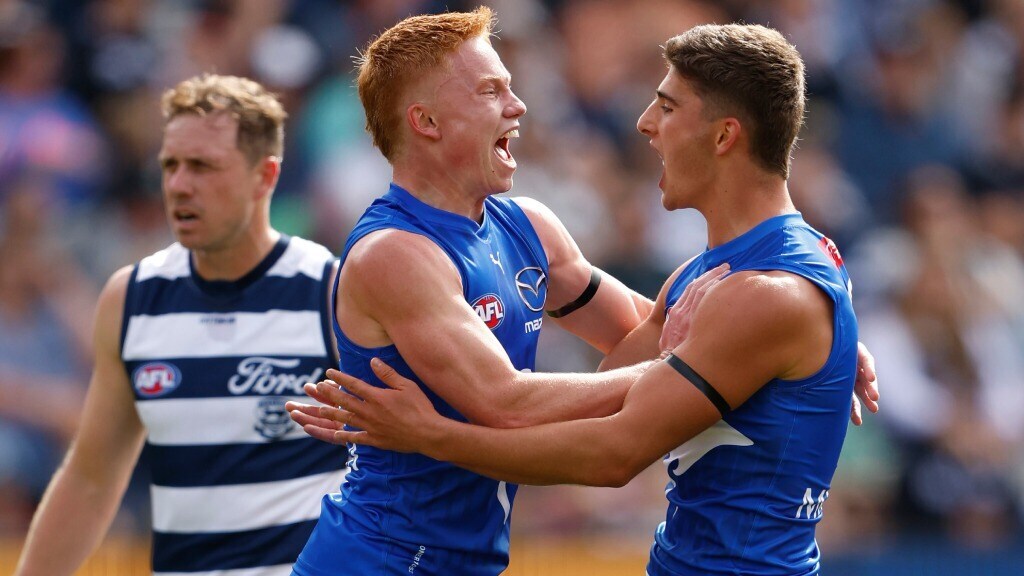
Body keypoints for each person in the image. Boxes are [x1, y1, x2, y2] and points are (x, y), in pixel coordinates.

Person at [293, 23, 872, 576]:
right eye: (492, 90)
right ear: (426, 121)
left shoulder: (530, 228)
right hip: (381, 558)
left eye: (666, 107)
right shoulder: (395, 254)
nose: (519, 106)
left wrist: (814, 342)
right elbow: (510, 402)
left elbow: (688, 344)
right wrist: (767, 350)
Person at [15, 74, 349, 576]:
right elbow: (90, 479)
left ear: (266, 176)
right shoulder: (132, 298)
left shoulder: (331, 290)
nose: (178, 184)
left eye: (202, 166)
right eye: (170, 165)